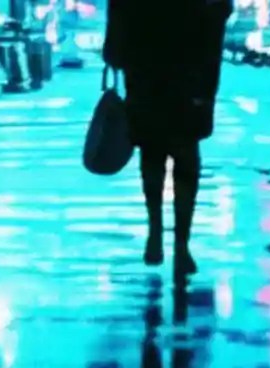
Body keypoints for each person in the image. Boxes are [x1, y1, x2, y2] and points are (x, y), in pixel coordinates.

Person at [103, 0, 232, 278]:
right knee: (186, 163)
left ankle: (155, 234)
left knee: (152, 159)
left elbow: (115, 43)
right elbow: (218, 15)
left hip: (146, 79)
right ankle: (181, 245)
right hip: (189, 81)